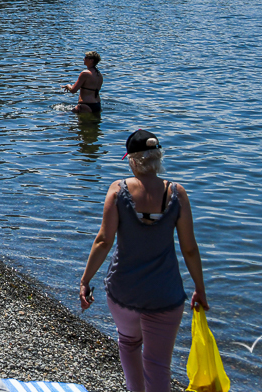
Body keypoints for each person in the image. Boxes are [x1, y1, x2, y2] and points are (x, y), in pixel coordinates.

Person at [79, 129, 207, 392]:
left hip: (124, 291)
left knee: (128, 343)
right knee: (158, 364)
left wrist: (85, 280)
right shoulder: (177, 193)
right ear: (158, 158)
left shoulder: (118, 190)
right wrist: (200, 288)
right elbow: (190, 249)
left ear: (132, 160)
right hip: (165, 294)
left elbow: (104, 240)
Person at [64, 50, 103, 115]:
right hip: (97, 105)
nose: (83, 59)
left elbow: (73, 90)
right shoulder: (99, 75)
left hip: (85, 105)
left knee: (60, 116)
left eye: (86, 58)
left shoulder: (85, 73)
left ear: (91, 60)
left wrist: (68, 86)